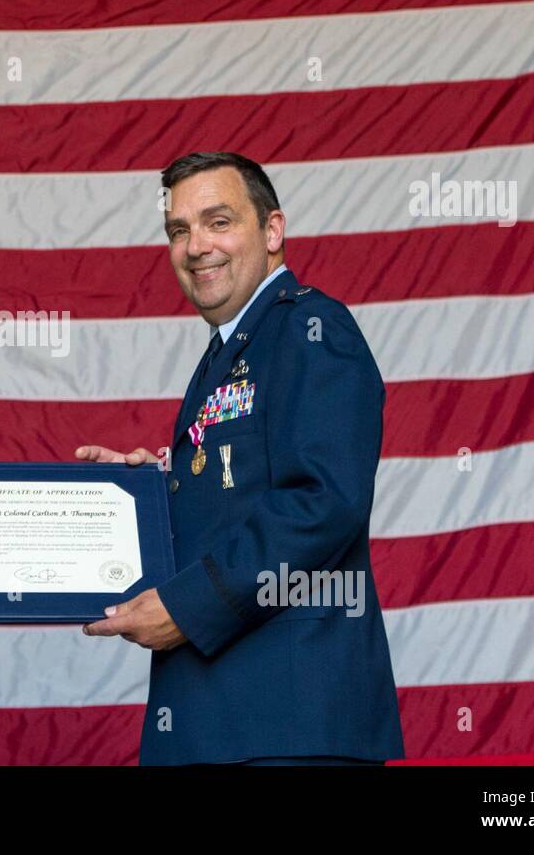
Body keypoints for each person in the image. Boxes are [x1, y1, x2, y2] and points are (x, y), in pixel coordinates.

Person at [78, 151, 404, 765]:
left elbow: (323, 503)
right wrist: (148, 497)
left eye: (218, 221)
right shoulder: (231, 351)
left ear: (272, 230)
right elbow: (238, 489)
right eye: (179, 230)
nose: (196, 245)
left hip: (288, 726)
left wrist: (186, 607)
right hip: (223, 720)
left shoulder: (312, 329)